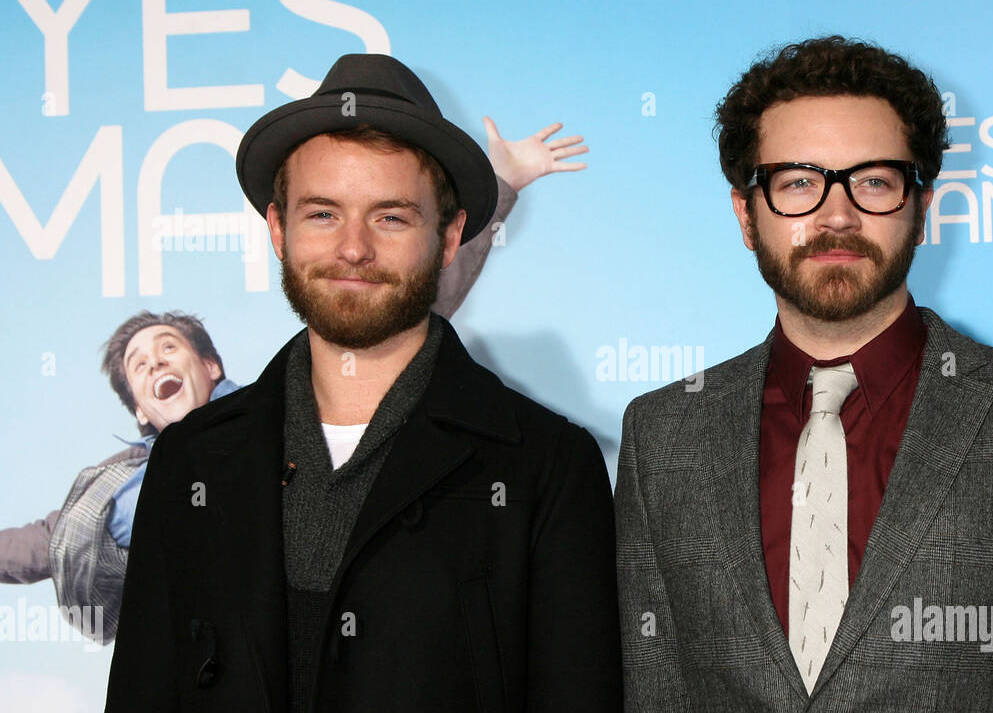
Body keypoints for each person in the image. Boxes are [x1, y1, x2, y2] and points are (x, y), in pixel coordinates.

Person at [615, 35, 993, 713]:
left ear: (922, 204)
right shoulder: (663, 436)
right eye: (798, 181)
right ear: (745, 211)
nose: (837, 215)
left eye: (873, 180)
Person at [94, 53, 621, 713]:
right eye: (322, 212)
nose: (352, 248)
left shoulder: (545, 467)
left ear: (450, 235)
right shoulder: (193, 459)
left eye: (390, 215)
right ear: (276, 229)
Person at [0, 109, 587, 645]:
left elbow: (398, 303)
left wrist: (501, 185)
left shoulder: (290, 413)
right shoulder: (105, 492)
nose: (155, 364)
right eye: (139, 365)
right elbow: (32, 550)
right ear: (136, 408)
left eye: (167, 348)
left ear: (209, 366)